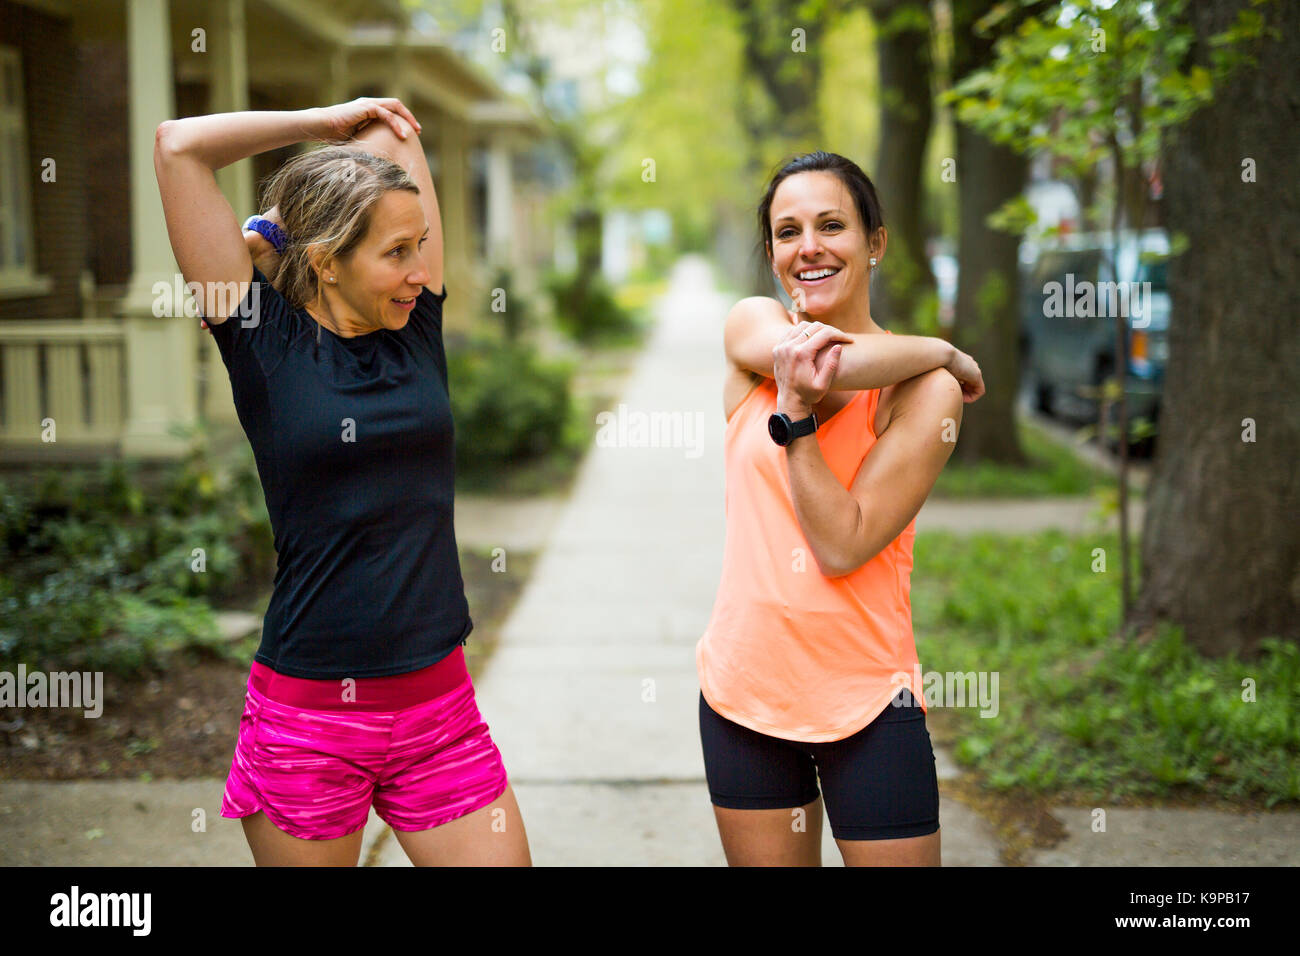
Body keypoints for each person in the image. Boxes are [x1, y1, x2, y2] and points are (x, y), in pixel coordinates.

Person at [154, 97, 530, 866]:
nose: (421, 271)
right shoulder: (257, 334)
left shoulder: (416, 322)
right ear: (328, 260)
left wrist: (278, 225)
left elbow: (394, 130)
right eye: (397, 252)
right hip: (310, 721)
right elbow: (178, 146)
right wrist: (325, 121)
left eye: (421, 245)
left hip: (439, 716)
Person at [696, 151, 985, 867]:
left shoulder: (926, 392)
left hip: (868, 703)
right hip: (744, 693)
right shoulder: (750, 330)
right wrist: (944, 346)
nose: (809, 247)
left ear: (875, 242)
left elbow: (843, 544)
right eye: (788, 232)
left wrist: (797, 427)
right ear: (770, 255)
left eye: (832, 225)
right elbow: (819, 362)